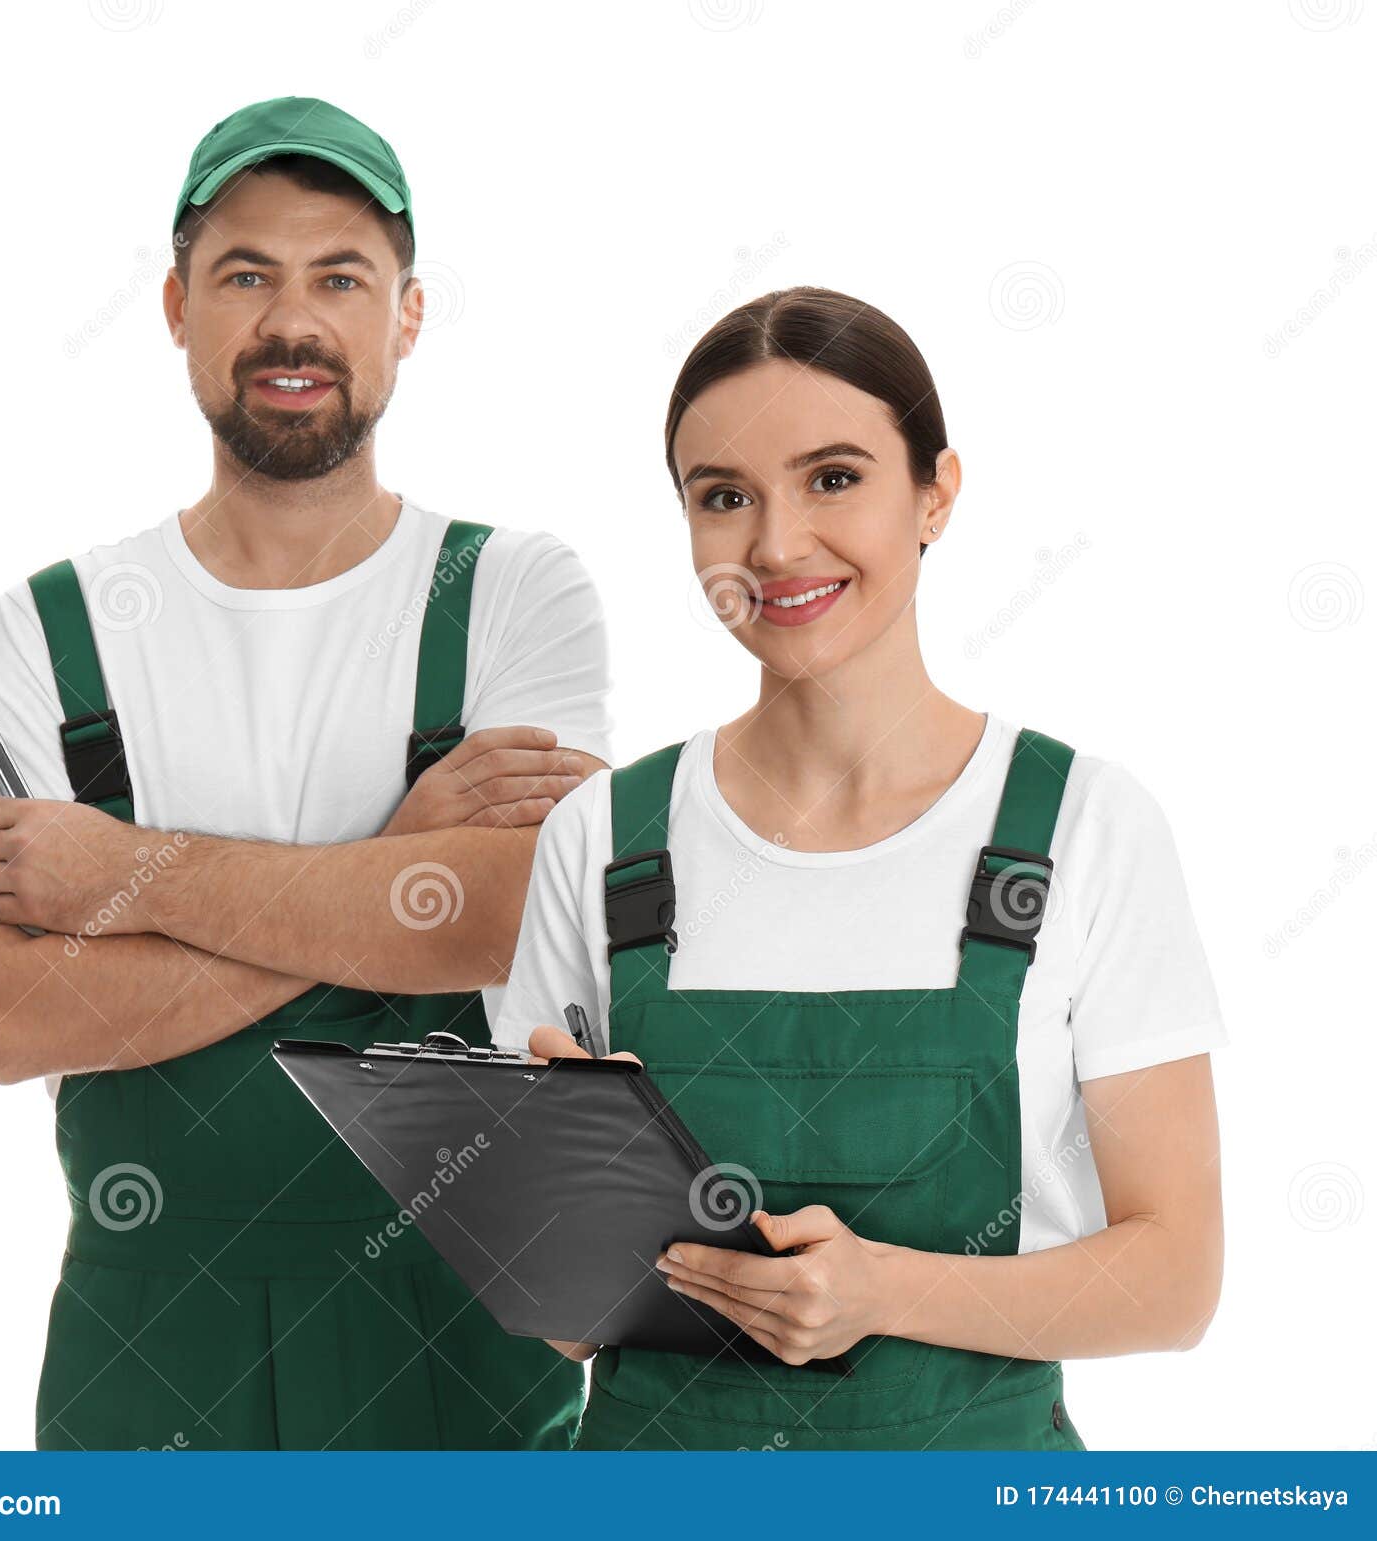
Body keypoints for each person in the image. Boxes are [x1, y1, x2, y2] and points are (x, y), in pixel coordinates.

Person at [0, 96, 607, 1451]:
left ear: (407, 316)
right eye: (246, 276)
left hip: (456, 1328)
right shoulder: (54, 629)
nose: (292, 323)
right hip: (144, 1341)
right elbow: (11, 1017)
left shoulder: (514, 591)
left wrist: (122, 879)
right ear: (177, 306)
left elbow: (496, 915)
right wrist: (392, 863)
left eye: (340, 279)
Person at [496, 287, 1227, 1451]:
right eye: (723, 496)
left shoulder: (1082, 824)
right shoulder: (601, 838)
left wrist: (882, 1289)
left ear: (935, 492)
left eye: (832, 478)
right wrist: (584, 1192)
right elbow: (561, 1328)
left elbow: (1175, 1279)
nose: (776, 545)